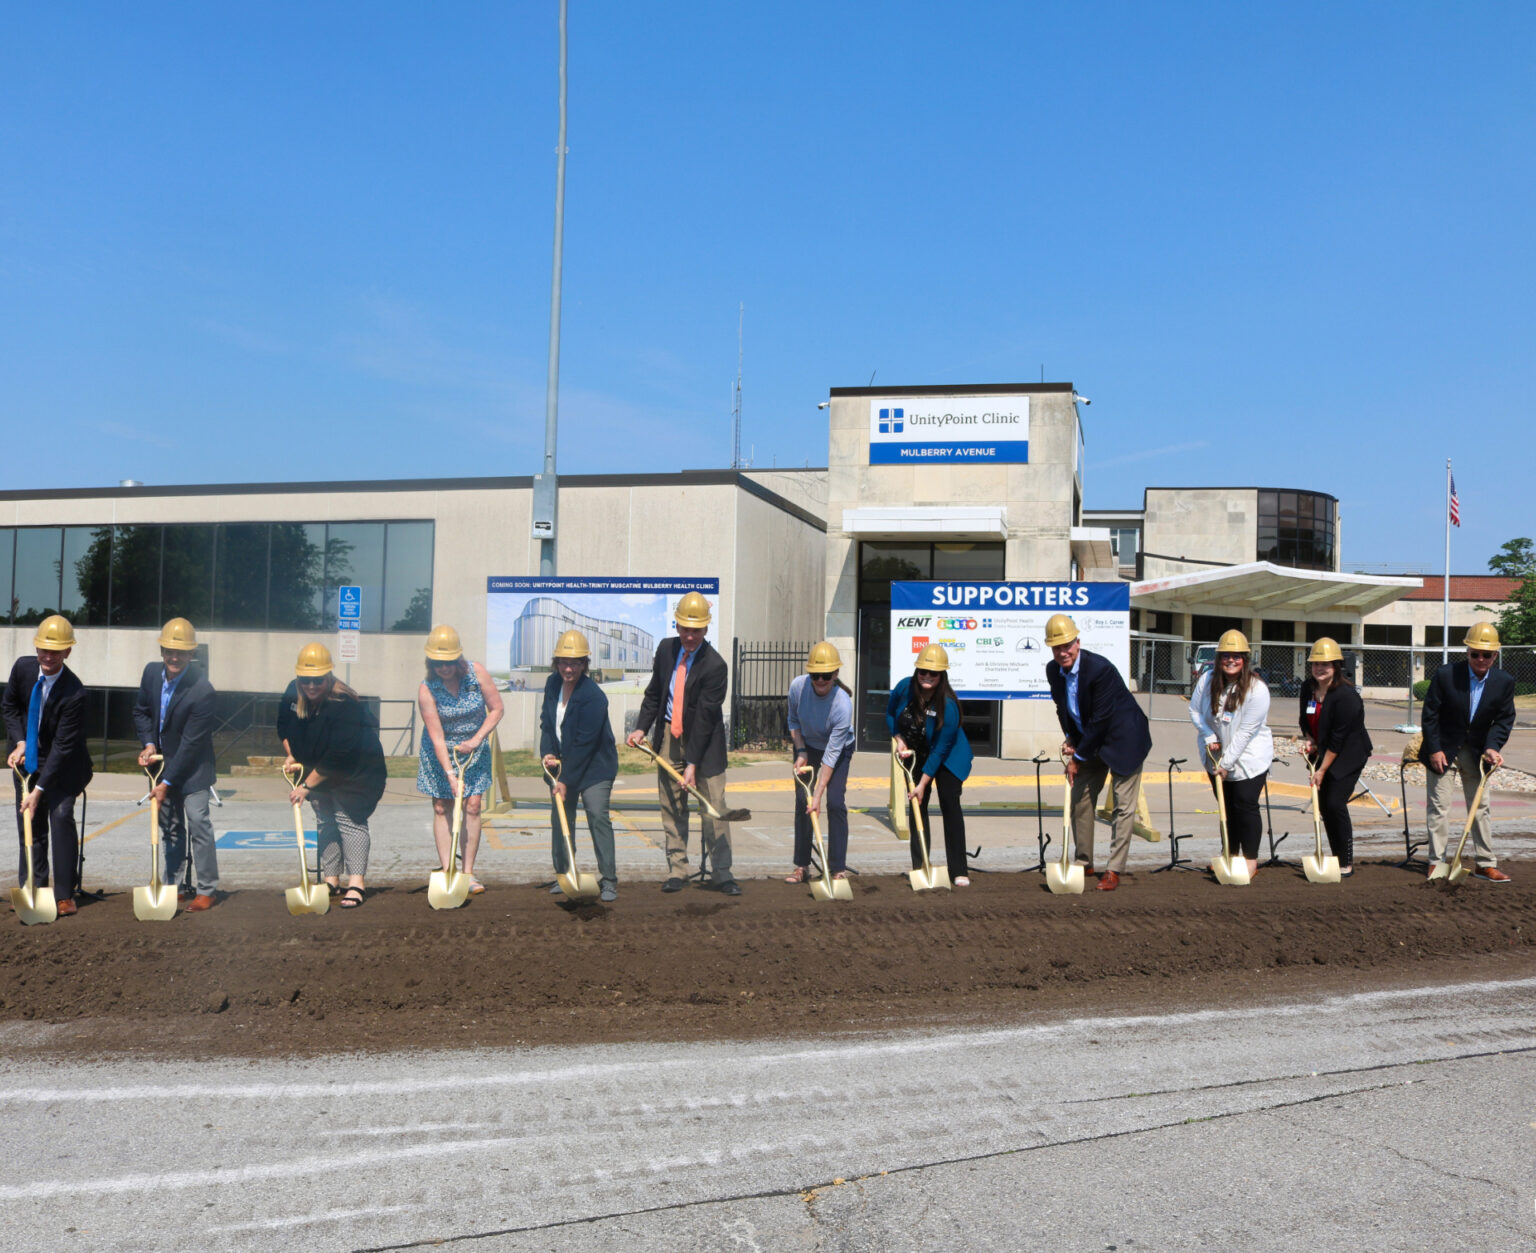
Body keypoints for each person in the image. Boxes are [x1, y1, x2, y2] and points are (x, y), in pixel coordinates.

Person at [627, 592, 739, 896]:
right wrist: (640, 728)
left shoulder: (716, 666)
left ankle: (722, 873)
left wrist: (691, 764)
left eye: (697, 630)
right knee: (672, 807)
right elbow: (654, 694)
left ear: (706, 629)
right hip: (669, 738)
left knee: (714, 809)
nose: (690, 636)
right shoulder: (666, 649)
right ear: (677, 626)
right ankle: (678, 870)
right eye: (685, 629)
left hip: (705, 744)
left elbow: (704, 719)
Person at [1044, 613, 1154, 891]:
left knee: (1123, 808)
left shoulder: (1099, 669)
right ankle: (1084, 862)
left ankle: (1114, 869)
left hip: (1123, 740)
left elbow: (1101, 718)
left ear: (1078, 643)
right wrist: (1070, 736)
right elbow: (1062, 708)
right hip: (1089, 740)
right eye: (1057, 647)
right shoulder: (1052, 670)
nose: (1063, 651)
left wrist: (1078, 757)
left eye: (1067, 645)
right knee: (1080, 798)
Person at [276, 642, 387, 909]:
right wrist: (293, 755)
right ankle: (330, 881)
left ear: (329, 677)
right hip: (319, 767)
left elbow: (340, 753)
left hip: (357, 771)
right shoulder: (295, 693)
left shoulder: (343, 704)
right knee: (325, 821)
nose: (311, 686)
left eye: (317, 680)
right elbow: (284, 727)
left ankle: (356, 883)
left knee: (349, 820)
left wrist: (305, 786)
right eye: (306, 680)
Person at [3, 616, 92, 917]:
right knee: (31, 825)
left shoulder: (74, 692)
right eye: (43, 648)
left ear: (68, 652)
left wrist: (39, 790)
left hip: (65, 766)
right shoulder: (22, 669)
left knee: (61, 815)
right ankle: (35, 889)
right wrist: (19, 741)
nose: (47, 656)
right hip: (27, 760)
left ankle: (65, 894)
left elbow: (64, 748)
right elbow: (10, 706)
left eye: (55, 650)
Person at [132, 618, 220, 910]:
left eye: (181, 652)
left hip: (193, 768)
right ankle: (173, 885)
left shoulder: (202, 690)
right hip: (160, 764)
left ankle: (207, 889)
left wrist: (167, 782)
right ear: (162, 650)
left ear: (191, 654)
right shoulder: (150, 673)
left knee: (198, 823)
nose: (174, 657)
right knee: (170, 828)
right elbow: (142, 711)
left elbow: (191, 744)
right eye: (170, 650)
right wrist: (148, 744)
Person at [1421, 622, 1517, 881]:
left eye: (1487, 654)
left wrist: (1492, 747)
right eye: (1476, 653)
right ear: (1467, 652)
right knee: (1438, 807)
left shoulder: (1504, 682)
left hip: (1477, 754)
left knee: (1480, 807)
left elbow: (1504, 720)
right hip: (1443, 750)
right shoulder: (1446, 675)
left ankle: (1485, 863)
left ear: (1495, 655)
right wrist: (1434, 749)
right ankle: (1436, 861)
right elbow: (1430, 715)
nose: (1481, 659)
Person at [417, 624, 504, 895]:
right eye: (438, 663)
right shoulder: (427, 689)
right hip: (439, 753)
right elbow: (437, 736)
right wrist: (450, 775)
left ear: (459, 658)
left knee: (473, 806)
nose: (445, 668)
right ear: (431, 662)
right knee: (443, 806)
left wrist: (477, 740)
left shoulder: (476, 673)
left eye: (450, 662)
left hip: (474, 748)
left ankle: (467, 872)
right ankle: (447, 871)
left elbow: (497, 709)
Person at [539, 629, 619, 902]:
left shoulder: (594, 696)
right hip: (563, 765)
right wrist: (547, 753)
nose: (568, 668)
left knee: (597, 814)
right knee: (561, 818)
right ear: (556, 662)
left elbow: (585, 744)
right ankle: (564, 874)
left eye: (575, 662)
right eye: (563, 661)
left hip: (595, 767)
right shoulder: (552, 684)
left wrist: (564, 781)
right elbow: (547, 725)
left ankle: (608, 879)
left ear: (585, 664)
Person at [1189, 629, 1273, 880]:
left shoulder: (1257, 689)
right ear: (1219, 658)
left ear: (1245, 659)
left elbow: (1246, 733)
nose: (1231, 660)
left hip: (1249, 758)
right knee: (1226, 807)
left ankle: (1250, 860)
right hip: (1215, 754)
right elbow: (1194, 711)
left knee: (1245, 805)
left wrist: (1226, 763)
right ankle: (1229, 854)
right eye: (1226, 655)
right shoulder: (1207, 680)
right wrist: (1208, 735)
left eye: (1237, 656)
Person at [886, 644, 974, 885]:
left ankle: (959, 870)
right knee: (917, 806)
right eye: (922, 671)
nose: (926, 676)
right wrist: (899, 738)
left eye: (933, 673)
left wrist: (923, 783)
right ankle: (921, 864)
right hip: (915, 753)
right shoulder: (905, 687)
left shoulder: (949, 706)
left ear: (941, 676)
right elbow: (891, 714)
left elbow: (940, 750)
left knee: (949, 803)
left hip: (949, 757)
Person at [1298, 637, 1372, 877]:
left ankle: (1346, 861)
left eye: (1326, 664)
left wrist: (1321, 770)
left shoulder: (1346, 696)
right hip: (1324, 749)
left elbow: (1339, 739)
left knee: (1334, 803)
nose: (1320, 669)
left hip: (1349, 754)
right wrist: (1309, 739)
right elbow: (1305, 720)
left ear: (1336, 667)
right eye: (1316, 664)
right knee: (1323, 805)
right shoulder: (1307, 688)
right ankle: (1334, 855)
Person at [785, 641, 855, 884]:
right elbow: (793, 721)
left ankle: (837, 868)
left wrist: (819, 793)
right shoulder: (798, 687)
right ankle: (802, 866)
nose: (820, 680)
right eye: (815, 675)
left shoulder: (842, 704)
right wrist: (801, 751)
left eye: (826, 675)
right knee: (801, 802)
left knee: (834, 802)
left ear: (836, 674)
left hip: (838, 750)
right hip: (808, 747)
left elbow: (832, 754)